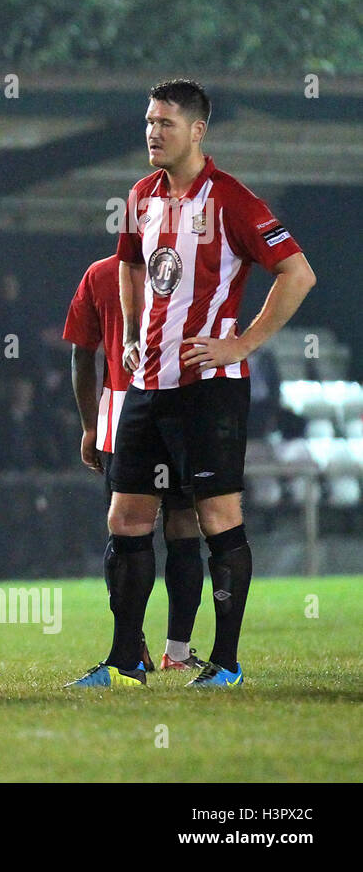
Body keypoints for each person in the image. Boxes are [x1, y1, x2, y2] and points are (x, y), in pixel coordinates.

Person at [68, 79, 316, 688]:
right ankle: (126, 660)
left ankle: (224, 662)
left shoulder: (231, 199)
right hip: (147, 386)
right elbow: (127, 261)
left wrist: (242, 342)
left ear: (197, 131)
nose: (153, 132)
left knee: (217, 517)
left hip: (210, 387)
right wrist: (129, 330)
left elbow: (297, 272)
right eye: (149, 122)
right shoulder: (140, 195)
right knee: (125, 519)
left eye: (166, 124)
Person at [63, 253, 205, 673]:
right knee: (182, 526)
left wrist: (90, 425)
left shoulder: (101, 274)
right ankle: (177, 652)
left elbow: (81, 355)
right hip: (181, 406)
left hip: (122, 414)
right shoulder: (191, 266)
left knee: (125, 530)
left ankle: (132, 648)